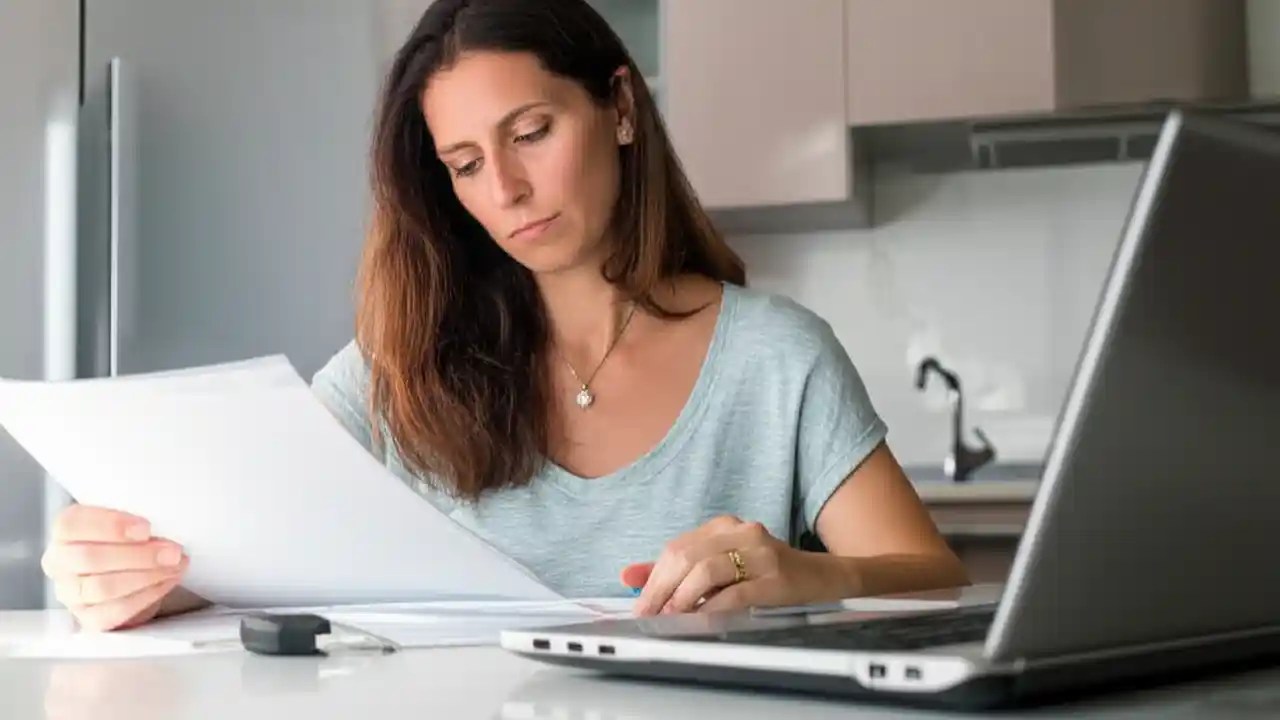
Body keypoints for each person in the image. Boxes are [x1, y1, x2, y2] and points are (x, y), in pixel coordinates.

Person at [40, 0, 968, 632]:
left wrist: (810, 575)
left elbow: (937, 583)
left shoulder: (776, 357)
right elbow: (238, 556)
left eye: (530, 133)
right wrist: (130, 577)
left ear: (619, 108)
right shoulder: (398, 368)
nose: (507, 189)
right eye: (466, 164)